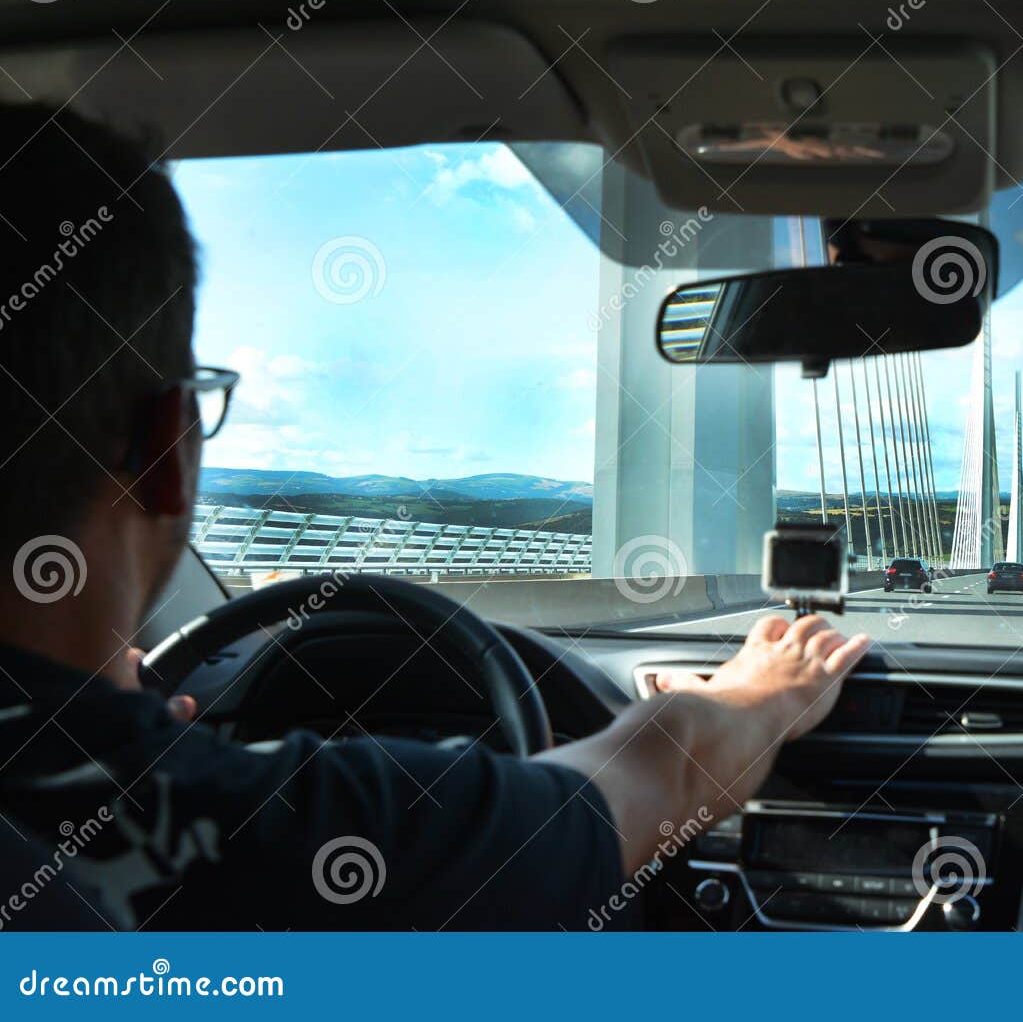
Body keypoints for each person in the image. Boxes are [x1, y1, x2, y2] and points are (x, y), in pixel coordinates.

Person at [0, 104, 870, 930]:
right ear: (169, 446)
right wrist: (767, 688)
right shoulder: (288, 826)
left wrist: (98, 705)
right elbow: (661, 773)